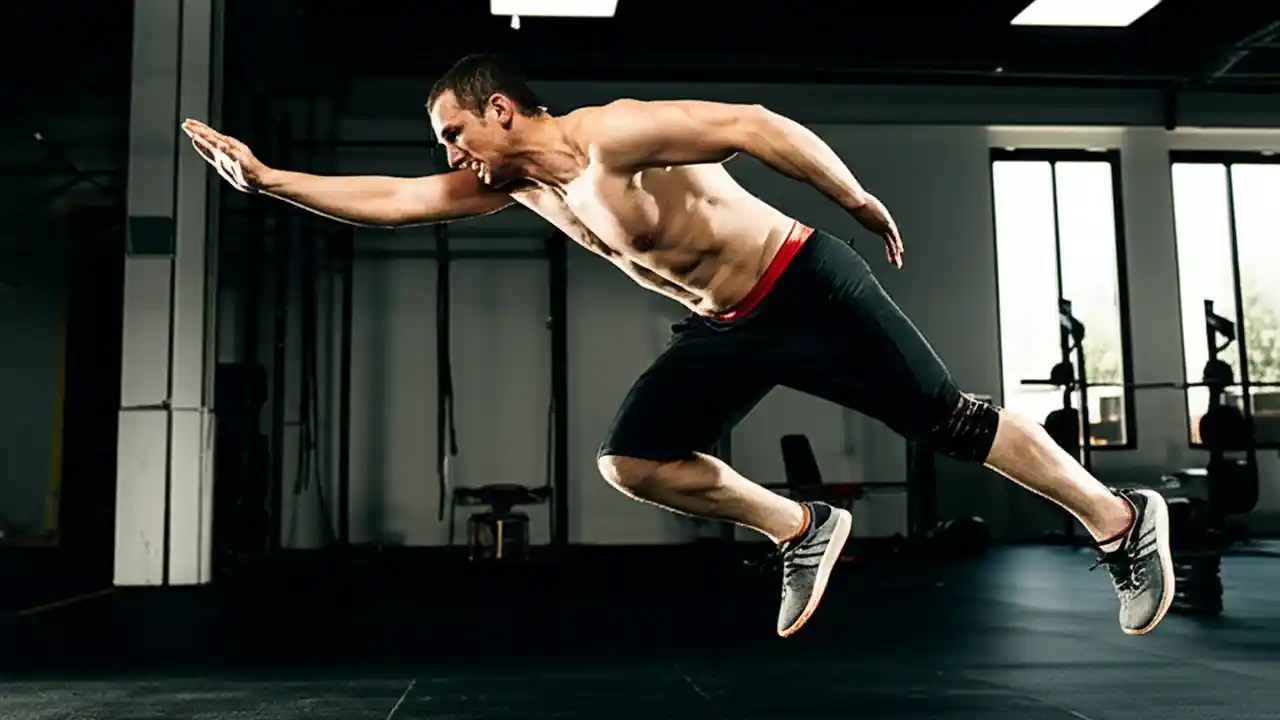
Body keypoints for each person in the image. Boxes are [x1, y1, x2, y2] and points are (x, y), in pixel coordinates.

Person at [181, 53, 1174, 639]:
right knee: (633, 461)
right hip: (726, 325)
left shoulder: (611, 135)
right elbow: (392, 202)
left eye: (454, 132)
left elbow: (749, 123)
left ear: (496, 107)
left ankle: (1118, 520)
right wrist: (268, 180)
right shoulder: (512, 184)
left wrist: (851, 195)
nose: (449, 155)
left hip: (804, 283)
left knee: (949, 421)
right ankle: (799, 527)